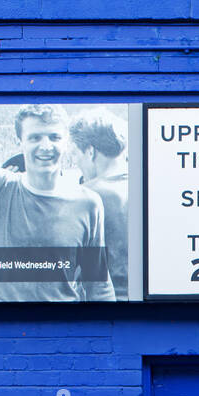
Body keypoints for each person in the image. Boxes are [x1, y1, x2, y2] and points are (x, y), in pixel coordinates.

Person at [0, 103, 115, 302]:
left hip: (61, 327)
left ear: (66, 143)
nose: (46, 146)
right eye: (35, 137)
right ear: (20, 142)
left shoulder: (88, 203)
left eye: (54, 137)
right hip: (3, 327)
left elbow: (98, 285)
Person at [70, 109, 129, 301]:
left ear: (90, 151)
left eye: (76, 155)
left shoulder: (85, 196)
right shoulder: (151, 186)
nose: (77, 163)